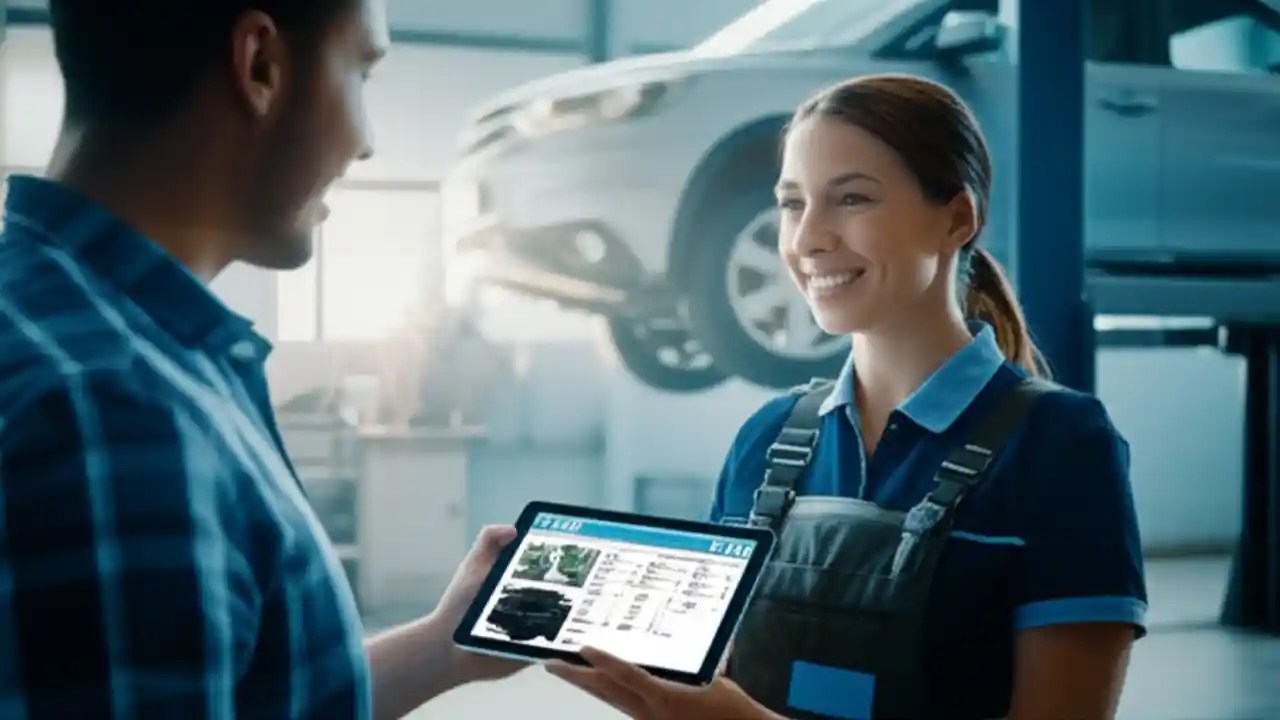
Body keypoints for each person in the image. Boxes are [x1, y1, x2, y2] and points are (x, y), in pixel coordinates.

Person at [549, 74, 1146, 719]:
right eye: (791, 203)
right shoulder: (765, 440)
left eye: (852, 199)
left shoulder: (1062, 445)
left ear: (956, 218)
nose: (808, 239)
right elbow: (713, 687)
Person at [0, 1, 525, 718]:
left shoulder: (99, 333)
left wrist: (442, 648)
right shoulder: (112, 410)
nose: (366, 143)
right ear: (261, 66)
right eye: (362, 73)